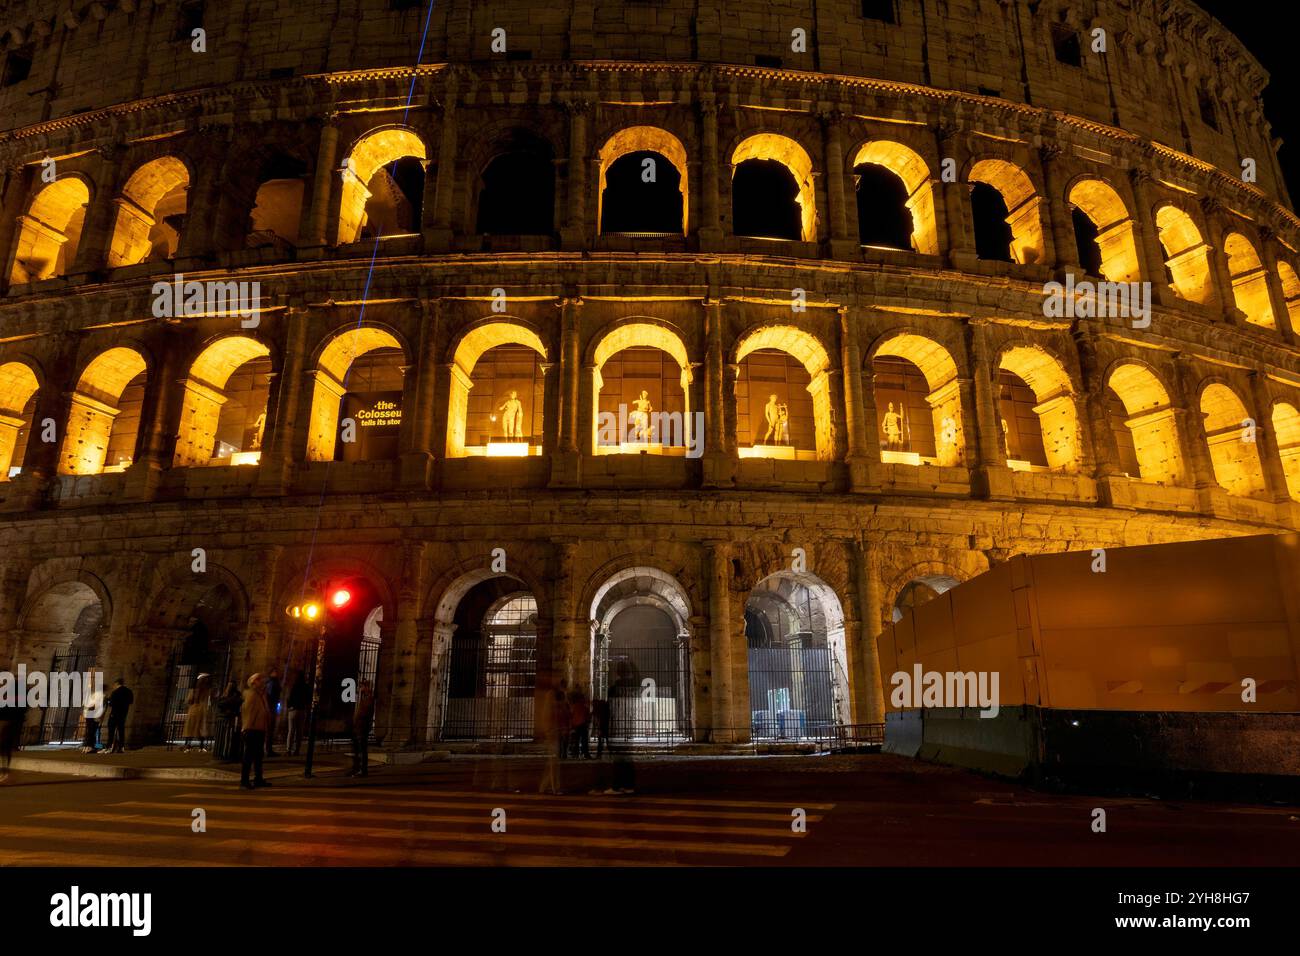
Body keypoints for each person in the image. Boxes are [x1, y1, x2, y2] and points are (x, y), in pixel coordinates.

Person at [239, 674, 271, 790]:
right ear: (253, 683)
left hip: (259, 729)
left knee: (258, 756)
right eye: (259, 680)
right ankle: (244, 781)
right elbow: (249, 713)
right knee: (249, 756)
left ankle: (258, 778)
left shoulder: (260, 695)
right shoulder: (252, 695)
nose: (262, 682)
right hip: (252, 730)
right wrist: (246, 728)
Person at [349, 679, 375, 778]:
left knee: (362, 749)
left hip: (362, 727)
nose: (360, 688)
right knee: (358, 749)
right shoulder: (364, 697)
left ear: (367, 687)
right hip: (358, 726)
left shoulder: (369, 698)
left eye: (362, 686)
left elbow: (364, 713)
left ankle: (363, 770)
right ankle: (357, 768)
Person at [213, 680, 242, 763]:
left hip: (232, 719)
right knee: (226, 737)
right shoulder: (225, 695)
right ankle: (224, 754)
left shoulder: (236, 695)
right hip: (226, 718)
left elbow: (238, 701)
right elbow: (220, 704)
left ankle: (230, 754)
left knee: (231, 737)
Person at [182, 673, 212, 751]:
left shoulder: (194, 690)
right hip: (202, 710)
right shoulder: (207, 690)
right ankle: (201, 746)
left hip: (194, 709)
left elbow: (189, 700)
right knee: (200, 728)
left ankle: (188, 745)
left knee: (190, 727)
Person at [103, 677, 133, 754]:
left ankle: (109, 746)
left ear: (117, 683)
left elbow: (111, 704)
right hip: (123, 714)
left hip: (115, 713)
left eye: (114, 685)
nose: (113, 686)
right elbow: (131, 701)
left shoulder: (115, 692)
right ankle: (121, 747)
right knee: (121, 730)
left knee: (111, 730)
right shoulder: (129, 691)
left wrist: (108, 701)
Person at [284, 669, 309, 756]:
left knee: (291, 731)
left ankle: (288, 750)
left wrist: (289, 706)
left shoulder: (293, 686)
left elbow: (288, 697)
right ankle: (297, 750)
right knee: (299, 731)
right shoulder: (306, 686)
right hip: (302, 710)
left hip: (293, 710)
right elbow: (308, 699)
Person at [0, 701, 24, 781]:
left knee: (5, 750)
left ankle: (5, 772)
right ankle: (5, 771)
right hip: (8, 726)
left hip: (7, 726)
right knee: (5, 751)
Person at [79, 676, 103, 753]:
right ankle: (92, 746)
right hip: (93, 716)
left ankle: (89, 746)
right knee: (94, 732)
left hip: (91, 716)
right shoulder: (98, 695)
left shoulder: (94, 695)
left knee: (92, 732)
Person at [264, 668, 282, 756]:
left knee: (271, 729)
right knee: (269, 730)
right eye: (275, 672)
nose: (276, 673)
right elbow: (270, 696)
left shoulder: (274, 682)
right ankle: (268, 749)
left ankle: (269, 748)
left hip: (273, 708)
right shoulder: (271, 683)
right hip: (271, 708)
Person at [569, 688, 591, 759]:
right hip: (583, 725)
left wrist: (572, 725)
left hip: (576, 725)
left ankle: (576, 753)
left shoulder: (574, 707)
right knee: (584, 741)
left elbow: (571, 716)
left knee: (576, 741)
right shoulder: (585, 707)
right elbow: (587, 717)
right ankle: (585, 753)